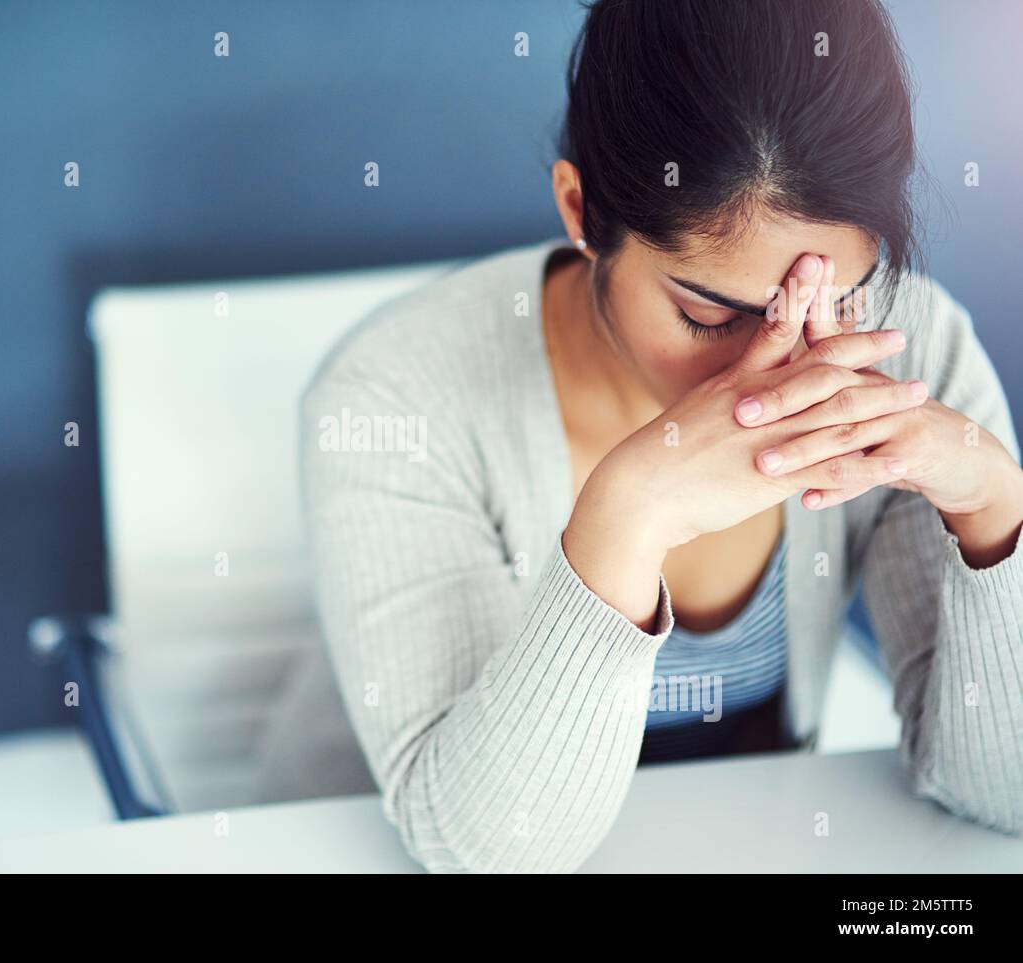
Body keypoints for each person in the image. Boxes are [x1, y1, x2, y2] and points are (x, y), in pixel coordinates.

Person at [266, 0, 1023, 873]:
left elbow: (1000, 796)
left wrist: (995, 510)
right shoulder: (393, 396)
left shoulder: (911, 350)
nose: (776, 367)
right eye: (706, 314)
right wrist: (627, 518)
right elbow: (486, 850)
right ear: (581, 210)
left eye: (835, 300)